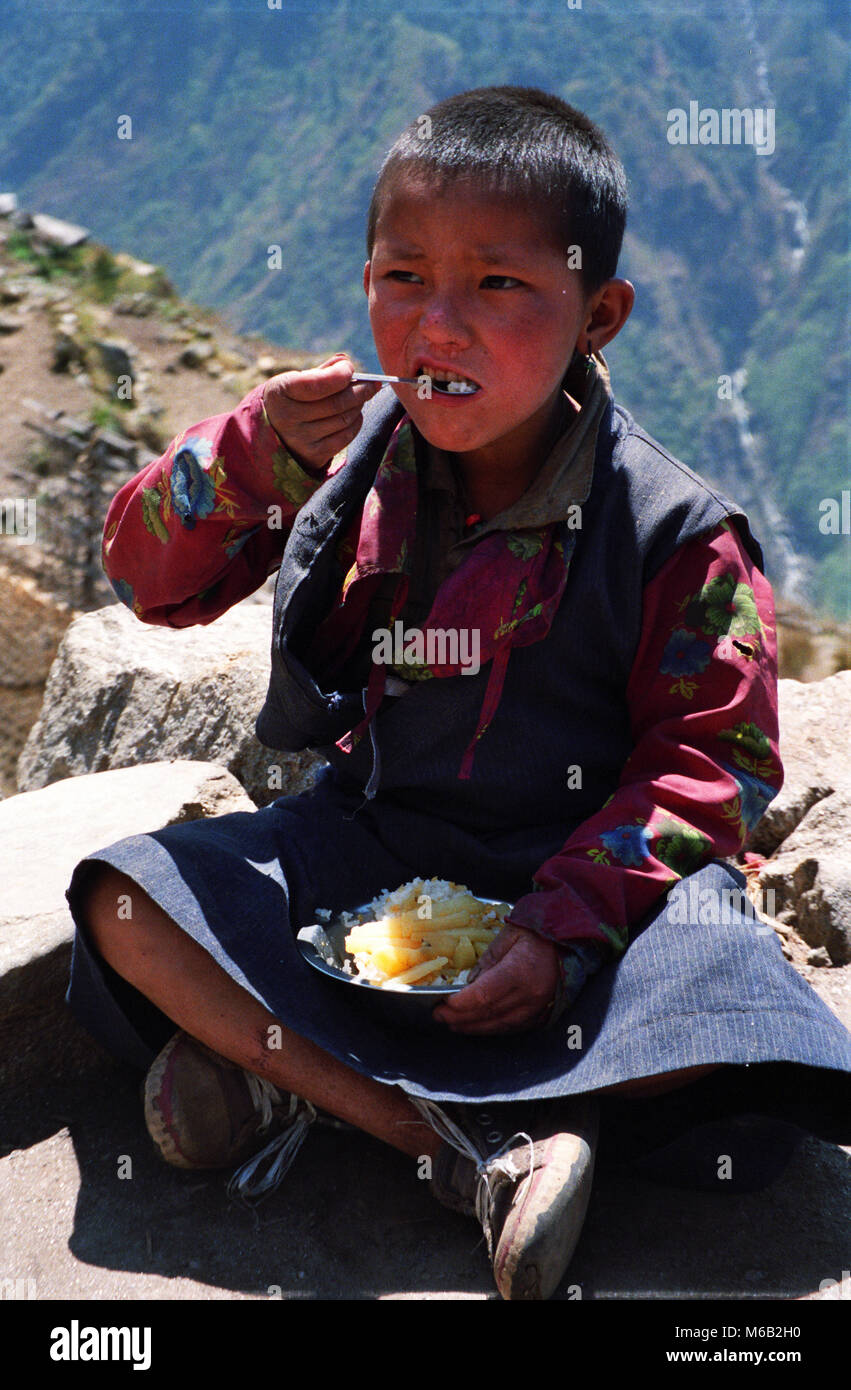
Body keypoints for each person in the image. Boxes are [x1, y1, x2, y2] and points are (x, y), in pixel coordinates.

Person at [65, 86, 851, 1301]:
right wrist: (248, 454)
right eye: (400, 277)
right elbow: (144, 575)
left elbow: (713, 768)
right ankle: (462, 1148)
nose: (436, 327)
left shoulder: (675, 531)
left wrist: (558, 926)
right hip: (375, 862)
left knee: (727, 1004)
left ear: (599, 315)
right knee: (127, 903)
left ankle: (297, 1077)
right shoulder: (343, 468)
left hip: (585, 891)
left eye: (495, 286)